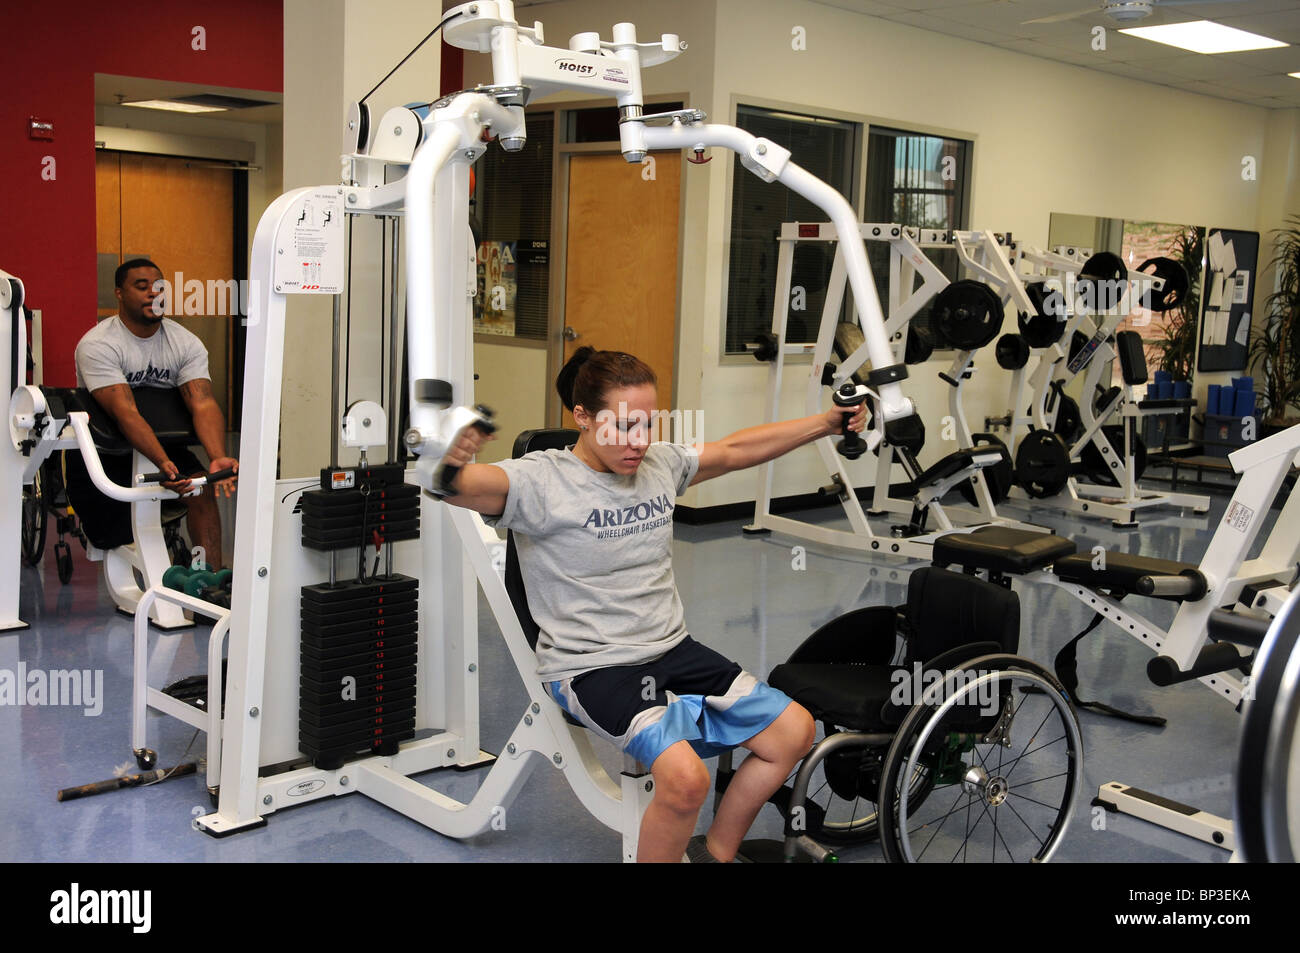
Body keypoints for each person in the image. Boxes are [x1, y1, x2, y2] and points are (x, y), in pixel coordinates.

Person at [442, 347, 866, 862]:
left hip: (671, 649)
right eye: (622, 427)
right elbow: (459, 486)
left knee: (793, 731)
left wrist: (825, 423)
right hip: (592, 665)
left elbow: (734, 449)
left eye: (646, 424)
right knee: (686, 779)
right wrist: (446, 459)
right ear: (581, 417)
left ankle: (716, 852)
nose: (638, 441)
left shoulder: (660, 464)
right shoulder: (541, 480)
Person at [65, 258, 238, 569]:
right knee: (110, 536)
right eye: (141, 286)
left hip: (166, 443)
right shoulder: (99, 344)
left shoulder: (185, 343)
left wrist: (216, 455)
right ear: (119, 293)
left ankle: (210, 579)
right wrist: (165, 467)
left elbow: (203, 402)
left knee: (200, 487)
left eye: (158, 286)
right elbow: (125, 412)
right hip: (107, 449)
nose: (152, 293)